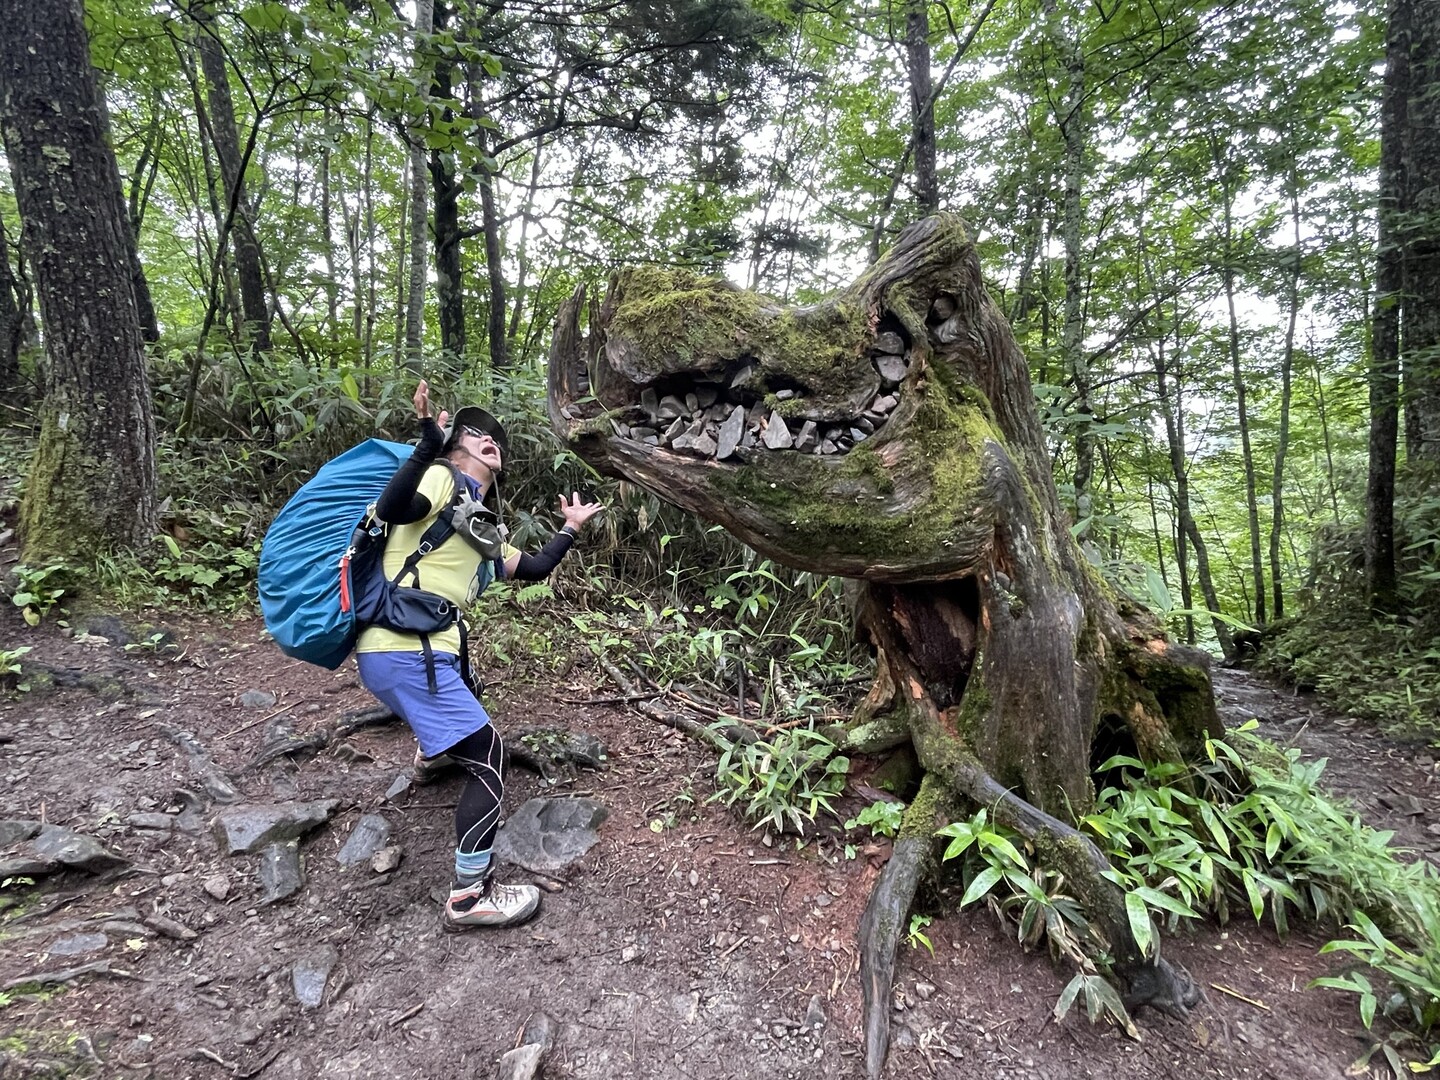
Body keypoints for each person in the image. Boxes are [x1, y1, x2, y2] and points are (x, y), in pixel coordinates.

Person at [355, 381, 602, 929]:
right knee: (491, 758)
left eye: (496, 438)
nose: (490, 440)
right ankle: (470, 896)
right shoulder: (441, 478)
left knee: (467, 697)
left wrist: (569, 528)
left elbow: (532, 569)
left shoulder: (479, 526)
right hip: (408, 648)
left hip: (413, 650)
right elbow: (395, 506)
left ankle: (430, 758)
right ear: (454, 447)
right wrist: (427, 441)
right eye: (476, 434)